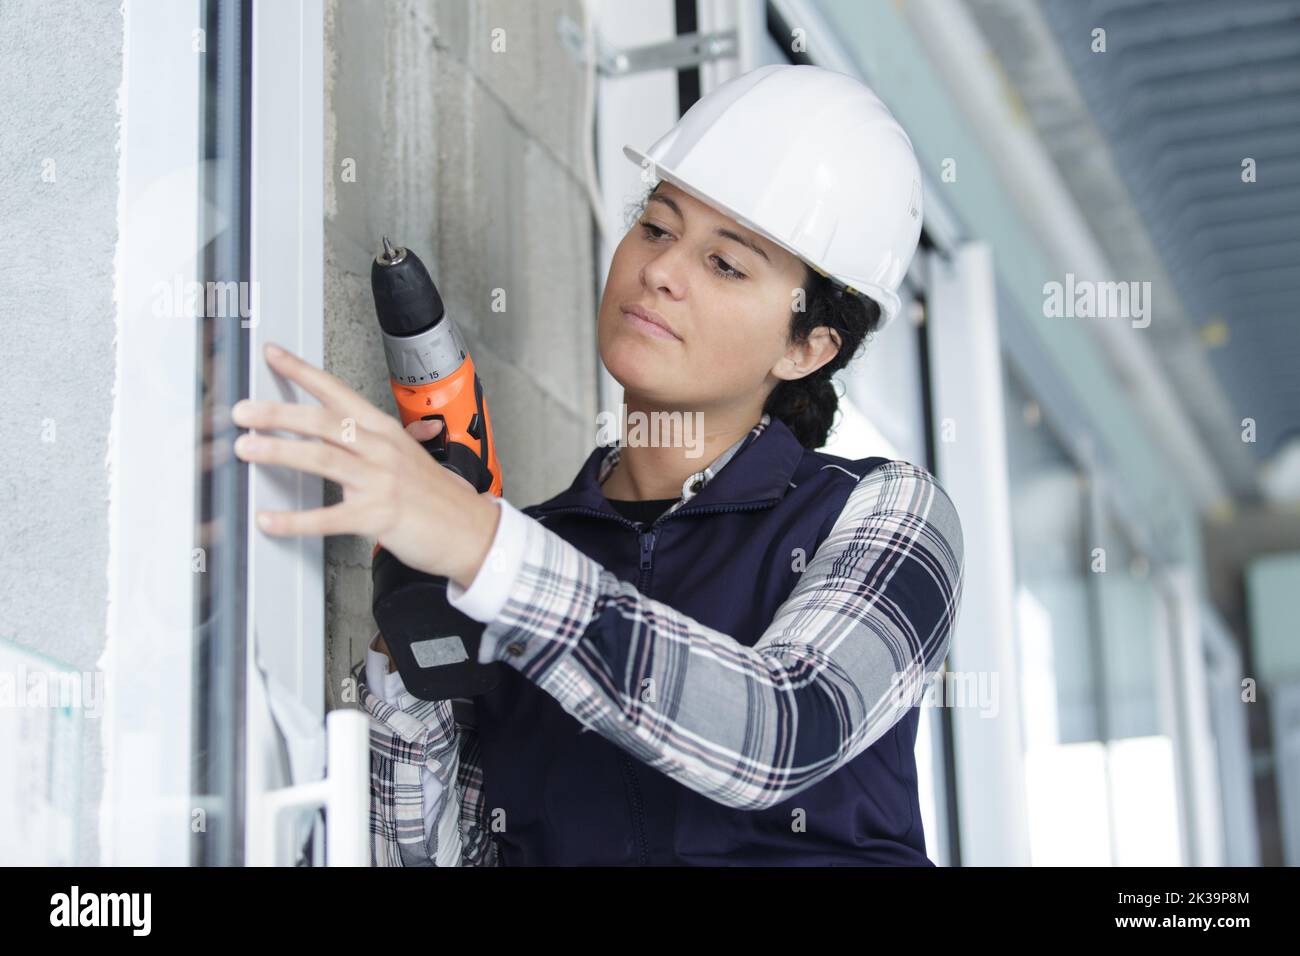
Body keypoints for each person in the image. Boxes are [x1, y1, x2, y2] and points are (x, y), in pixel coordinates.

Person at [233, 64, 964, 866]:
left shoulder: (881, 513)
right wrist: (409, 649)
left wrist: (485, 549)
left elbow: (782, 730)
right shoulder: (525, 551)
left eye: (726, 264)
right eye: (656, 226)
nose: (660, 271)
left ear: (807, 346)